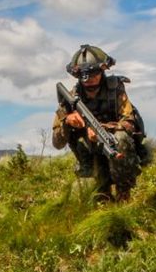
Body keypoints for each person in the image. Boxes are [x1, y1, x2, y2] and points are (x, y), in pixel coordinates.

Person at [51, 45, 146, 201]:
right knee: (92, 199)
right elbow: (57, 143)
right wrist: (67, 122)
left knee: (121, 138)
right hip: (89, 154)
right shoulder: (70, 98)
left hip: (116, 147)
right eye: (82, 75)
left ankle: (124, 195)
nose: (88, 79)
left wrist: (104, 129)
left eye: (93, 73)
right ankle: (102, 193)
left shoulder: (115, 90)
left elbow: (130, 122)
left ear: (103, 70)